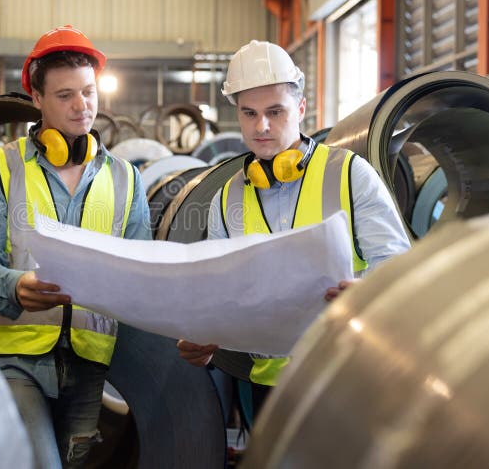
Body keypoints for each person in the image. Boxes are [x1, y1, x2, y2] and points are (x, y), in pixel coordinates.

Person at [176, 39, 410, 426]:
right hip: (266, 389)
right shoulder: (226, 198)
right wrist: (201, 335)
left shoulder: (350, 174)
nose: (261, 126)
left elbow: (399, 271)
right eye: (248, 113)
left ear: (300, 109)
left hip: (347, 378)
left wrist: (367, 292)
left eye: (275, 111)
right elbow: (219, 293)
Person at [0, 24, 151, 468]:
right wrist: (13, 285)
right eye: (65, 95)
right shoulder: (1, 167)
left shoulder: (126, 177)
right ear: (37, 99)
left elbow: (143, 267)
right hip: (16, 355)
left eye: (88, 92)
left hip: (90, 364)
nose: (81, 106)